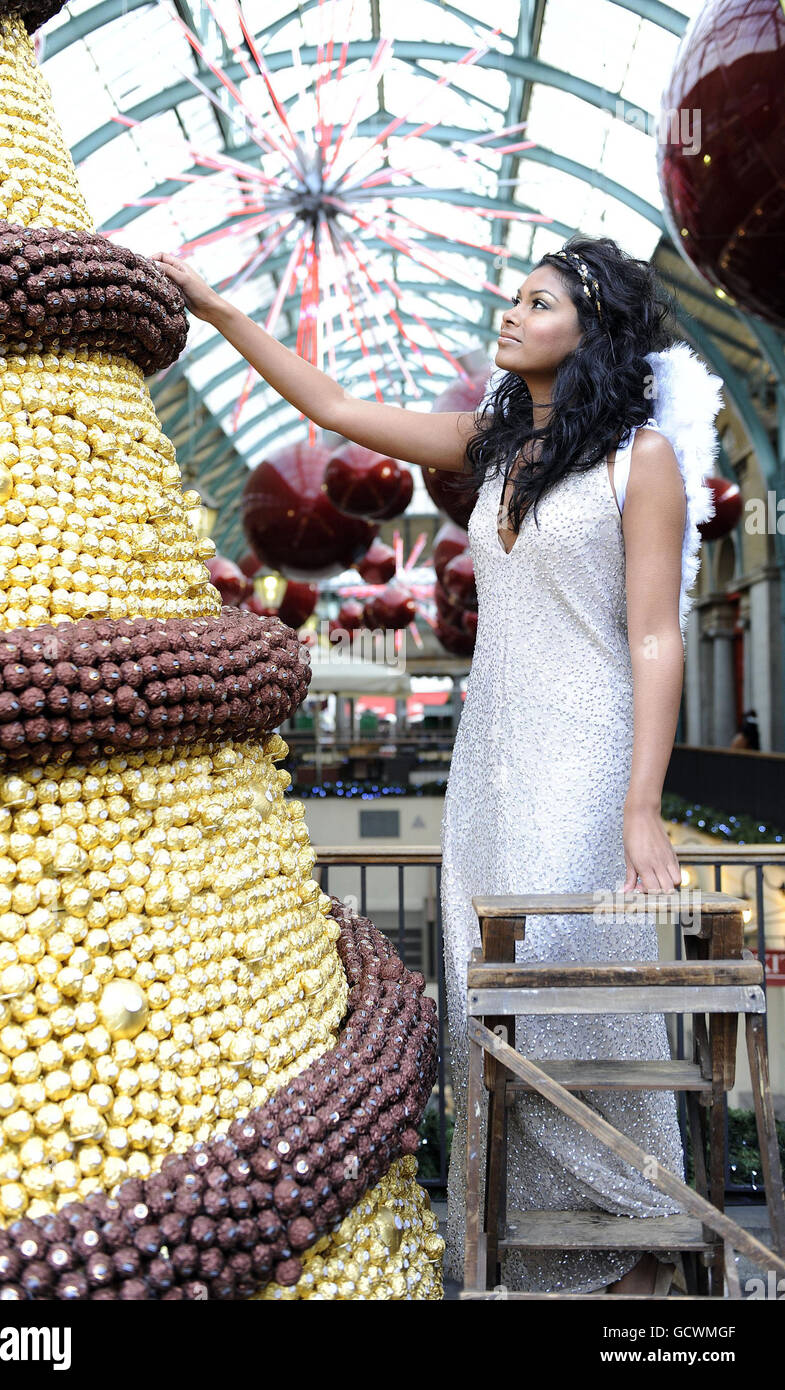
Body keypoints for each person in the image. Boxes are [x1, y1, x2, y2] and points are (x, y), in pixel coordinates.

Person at [152, 234, 714, 1296]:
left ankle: (645, 1243)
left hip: (587, 748)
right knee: (482, 997)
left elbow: (654, 635)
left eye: (538, 304)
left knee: (565, 979)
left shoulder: (640, 459)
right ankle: (550, 1260)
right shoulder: (485, 446)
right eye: (514, 297)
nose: (510, 314)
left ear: (591, 330)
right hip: (490, 748)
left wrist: (641, 805)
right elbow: (331, 407)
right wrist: (218, 309)